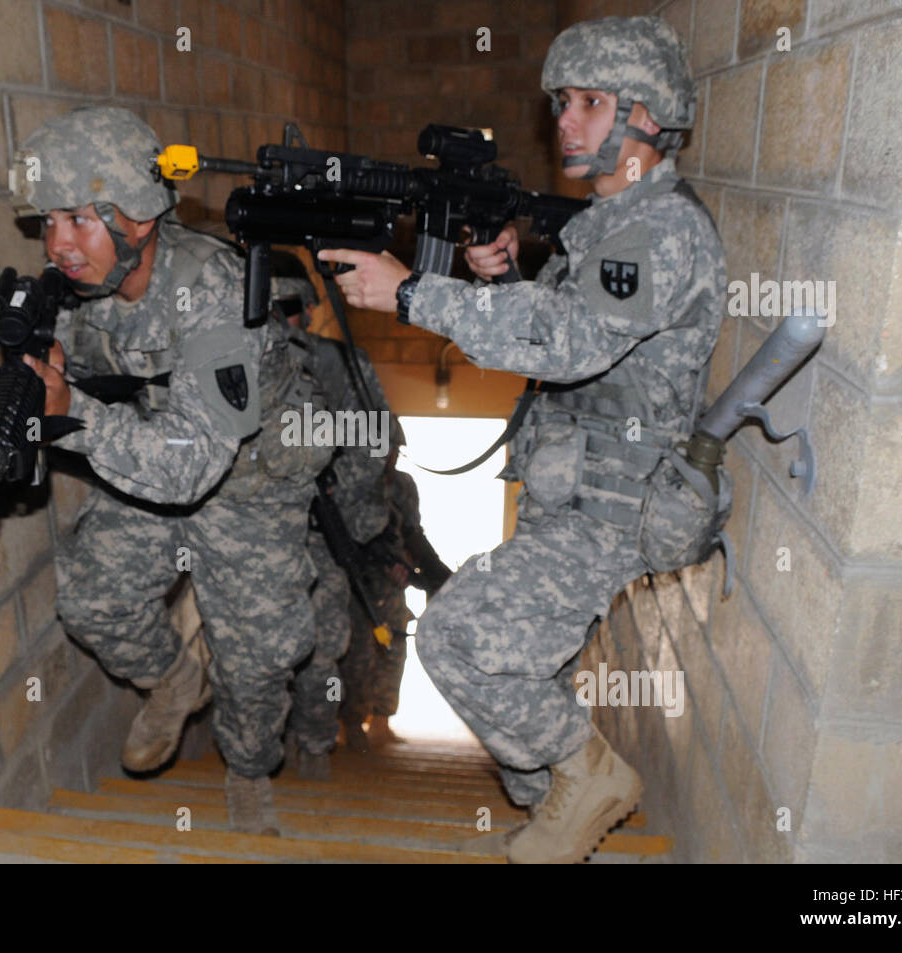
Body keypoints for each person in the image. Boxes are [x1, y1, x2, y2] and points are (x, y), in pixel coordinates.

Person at [317, 16, 726, 863]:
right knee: (517, 665)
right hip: (571, 486)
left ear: (644, 118)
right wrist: (507, 277)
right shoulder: (614, 221)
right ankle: (561, 806)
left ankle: (587, 777)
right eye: (560, 105)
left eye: (588, 103)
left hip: (612, 505)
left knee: (456, 637)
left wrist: (413, 295)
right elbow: (583, 332)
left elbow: (573, 341)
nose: (564, 124)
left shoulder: (663, 231)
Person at [14, 106, 330, 834]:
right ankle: (173, 677)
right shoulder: (77, 284)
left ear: (138, 219)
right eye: (46, 222)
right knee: (92, 596)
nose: (57, 243)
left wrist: (73, 415)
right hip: (157, 450)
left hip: (247, 482)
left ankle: (249, 773)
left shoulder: (214, 291)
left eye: (76, 219)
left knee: (256, 659)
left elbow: (192, 467)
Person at [266, 257, 393, 779]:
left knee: (322, 647)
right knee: (262, 646)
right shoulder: (236, 358)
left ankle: (315, 743)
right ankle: (259, 751)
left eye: (289, 308)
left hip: (324, 527)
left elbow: (374, 446)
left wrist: (333, 487)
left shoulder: (342, 365)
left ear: (312, 309)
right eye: (266, 308)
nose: (278, 319)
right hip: (260, 530)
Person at [339, 435, 451, 751]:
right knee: (358, 653)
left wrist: (435, 574)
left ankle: (381, 720)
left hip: (393, 584)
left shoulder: (402, 486)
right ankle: (350, 723)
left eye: (394, 448)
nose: (390, 455)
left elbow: (413, 532)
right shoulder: (353, 478)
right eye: (385, 447)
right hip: (356, 582)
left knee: (393, 648)